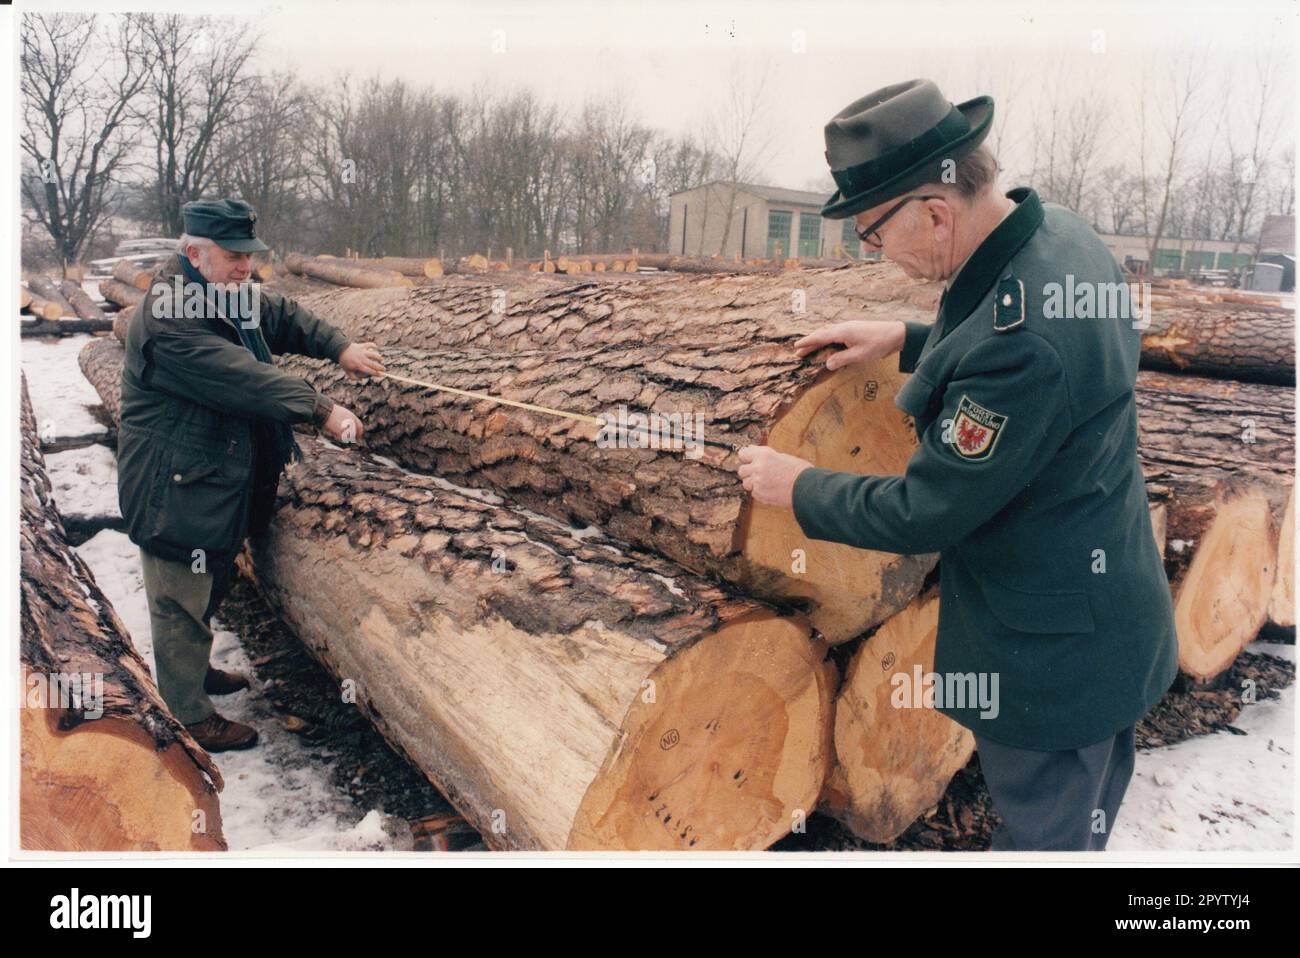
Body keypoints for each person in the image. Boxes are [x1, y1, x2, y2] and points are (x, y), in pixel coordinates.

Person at [736, 79, 1178, 851]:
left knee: (1047, 841)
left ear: (935, 211)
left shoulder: (1021, 341)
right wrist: (905, 338)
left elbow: (927, 509)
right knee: (1080, 824)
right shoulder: (1059, 237)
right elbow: (998, 320)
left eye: (871, 235)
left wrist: (798, 485)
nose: (871, 253)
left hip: (1053, 654)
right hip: (1111, 616)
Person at [117, 198, 386, 752]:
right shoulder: (169, 316)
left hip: (208, 471)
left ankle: (191, 671)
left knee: (208, 581)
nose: (247, 268)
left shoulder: (224, 291)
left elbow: (281, 315)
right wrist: (319, 409)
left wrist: (340, 346)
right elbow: (242, 377)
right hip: (173, 482)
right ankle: (188, 715)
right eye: (235, 256)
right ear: (194, 253)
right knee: (179, 598)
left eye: (250, 256)